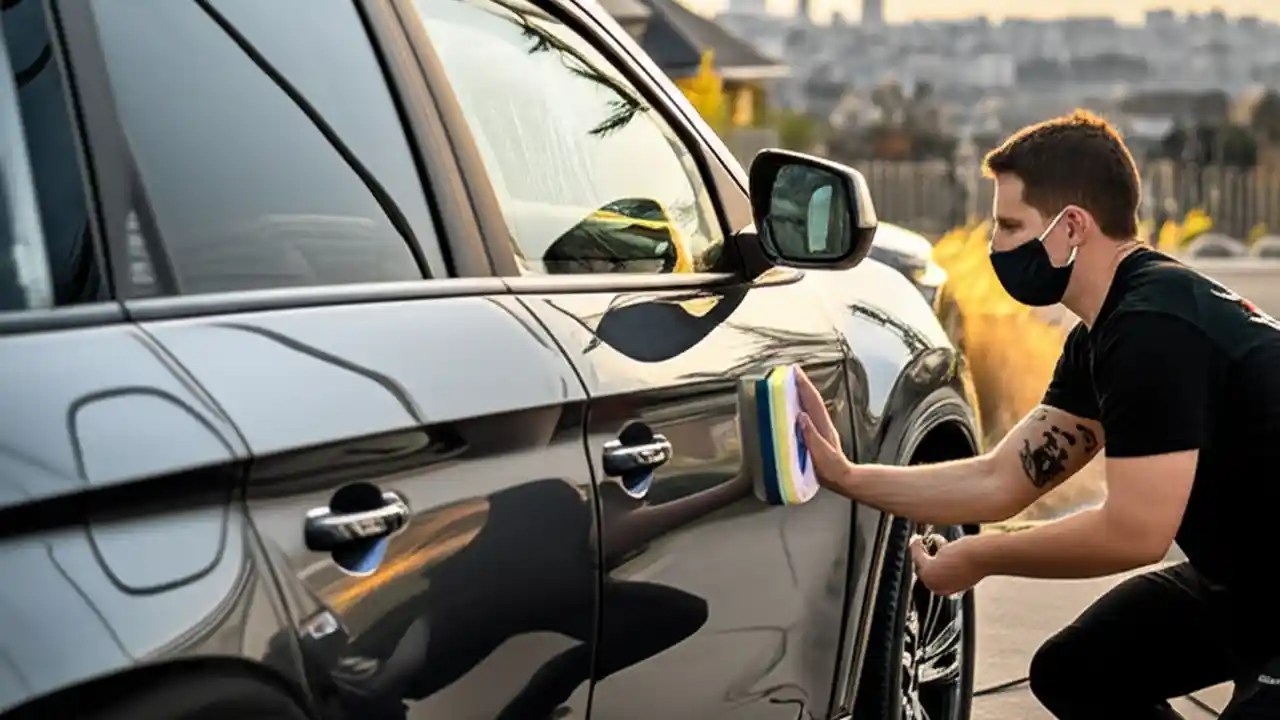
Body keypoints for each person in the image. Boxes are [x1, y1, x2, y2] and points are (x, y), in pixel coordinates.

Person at [795, 109, 1280, 719]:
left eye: (1008, 224)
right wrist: (850, 477)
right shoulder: (1106, 332)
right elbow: (1003, 479)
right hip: (1244, 586)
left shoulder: (1150, 328)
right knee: (1078, 671)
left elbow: (1136, 534)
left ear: (1071, 226)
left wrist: (982, 557)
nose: (993, 243)